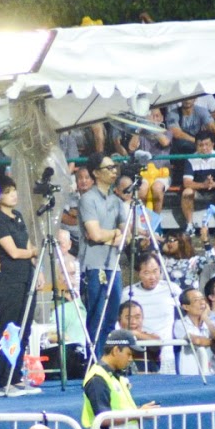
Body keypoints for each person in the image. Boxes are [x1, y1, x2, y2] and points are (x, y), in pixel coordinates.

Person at [0, 180, 37, 393]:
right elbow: (14, 252)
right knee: (10, 329)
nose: (13, 195)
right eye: (8, 192)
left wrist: (36, 267)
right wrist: (33, 252)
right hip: (11, 280)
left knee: (24, 329)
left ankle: (16, 375)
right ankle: (4, 379)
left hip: (27, 276)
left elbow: (25, 245)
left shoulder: (17, 216)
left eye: (14, 191)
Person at [81, 152, 128, 356]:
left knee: (110, 318)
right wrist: (114, 233)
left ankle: (109, 360)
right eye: (108, 168)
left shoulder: (117, 201)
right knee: (96, 318)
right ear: (96, 173)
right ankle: (94, 361)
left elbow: (125, 235)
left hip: (113, 265)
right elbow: (94, 234)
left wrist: (109, 235)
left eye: (114, 167)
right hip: (94, 266)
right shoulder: (88, 199)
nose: (113, 171)